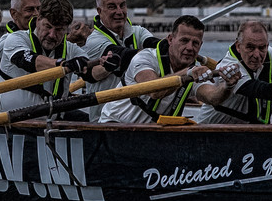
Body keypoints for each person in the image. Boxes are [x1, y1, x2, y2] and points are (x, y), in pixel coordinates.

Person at [100, 15, 238, 124]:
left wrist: (227, 85)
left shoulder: (195, 70)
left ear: (200, 45)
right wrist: (187, 72)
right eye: (184, 40)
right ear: (171, 39)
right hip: (114, 126)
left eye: (195, 43)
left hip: (149, 135)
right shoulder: (145, 58)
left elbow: (212, 97)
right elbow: (153, 91)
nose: (190, 48)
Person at [0, 0, 102, 118]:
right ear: (38, 19)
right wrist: (62, 65)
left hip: (49, 125)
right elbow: (29, 61)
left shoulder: (71, 49)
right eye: (48, 27)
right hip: (10, 125)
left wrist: (106, 65)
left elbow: (92, 73)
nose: (52, 35)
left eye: (59, 30)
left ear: (67, 28)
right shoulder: (15, 39)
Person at [193, 20, 272, 124]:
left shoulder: (270, 54)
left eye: (262, 48)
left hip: (246, 131)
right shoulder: (230, 66)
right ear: (238, 46)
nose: (257, 55)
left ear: (267, 45)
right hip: (214, 130)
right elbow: (266, 91)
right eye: (250, 47)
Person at [79, 0, 158, 117]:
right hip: (104, 119)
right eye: (112, 7)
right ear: (99, 11)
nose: (119, 12)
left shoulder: (138, 32)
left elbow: (157, 46)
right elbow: (125, 57)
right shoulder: (94, 41)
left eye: (122, 6)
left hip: (134, 118)